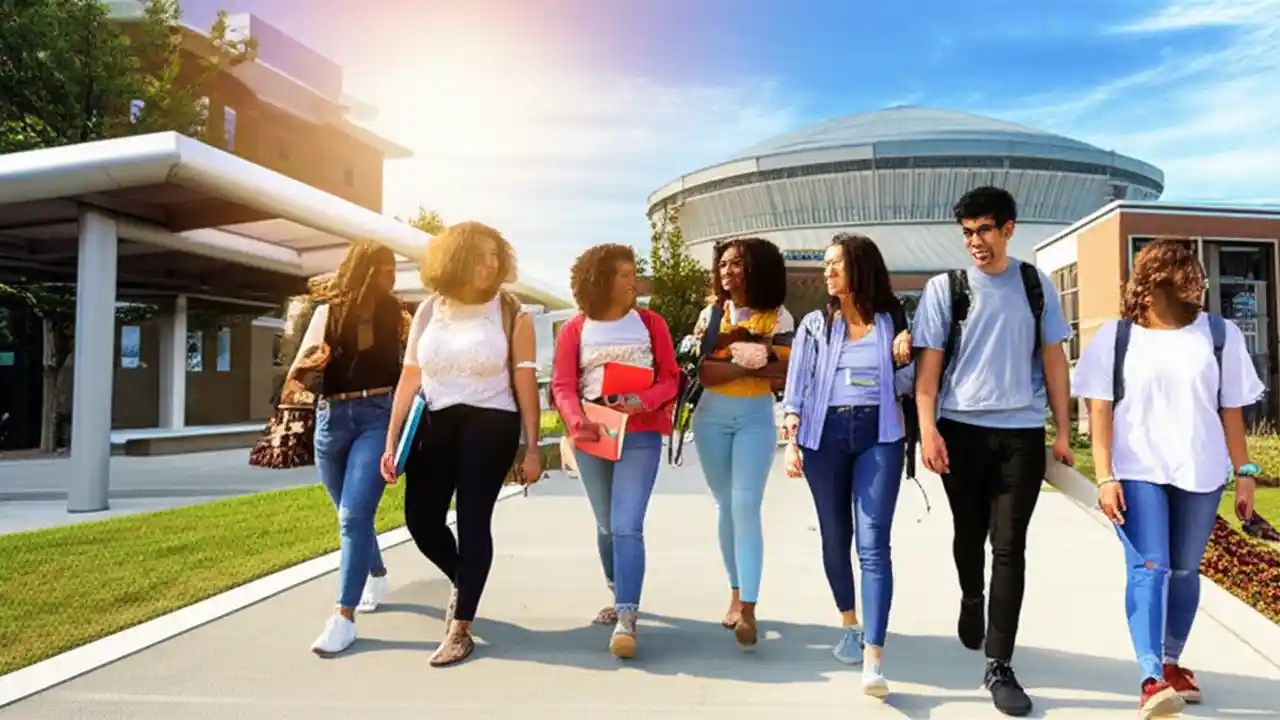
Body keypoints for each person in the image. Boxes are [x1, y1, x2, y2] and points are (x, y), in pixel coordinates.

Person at [1071, 239, 1262, 717]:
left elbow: (1231, 410)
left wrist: (1245, 474)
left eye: (1196, 277)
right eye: (1185, 277)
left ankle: (1173, 662)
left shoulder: (1219, 335)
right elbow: (1100, 414)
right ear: (1154, 283)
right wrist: (1105, 477)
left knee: (1183, 570)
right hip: (1137, 471)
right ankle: (1151, 677)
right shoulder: (1117, 339)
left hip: (1200, 470)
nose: (1196, 285)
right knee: (1149, 567)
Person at [912, 186, 1073, 717]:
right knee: (968, 534)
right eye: (967, 233)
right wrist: (929, 431)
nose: (975, 242)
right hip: (960, 431)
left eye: (984, 230)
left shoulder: (1035, 284)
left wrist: (1063, 433)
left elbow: (1054, 363)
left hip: (1020, 434)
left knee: (1009, 547)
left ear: (1008, 229)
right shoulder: (946, 288)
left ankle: (999, 664)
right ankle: (970, 597)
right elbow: (928, 372)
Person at [382, 221, 543, 668]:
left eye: (496, 255)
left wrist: (533, 446)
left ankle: (461, 627)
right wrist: (392, 439)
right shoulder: (430, 310)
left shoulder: (512, 312)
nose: (491, 263)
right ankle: (466, 579)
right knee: (421, 520)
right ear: (454, 258)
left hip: (491, 422)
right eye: (480, 254)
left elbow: (525, 381)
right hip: (433, 420)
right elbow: (409, 377)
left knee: (474, 520)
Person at [780, 233, 914, 697]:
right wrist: (792, 441)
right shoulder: (815, 324)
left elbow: (911, 382)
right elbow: (796, 389)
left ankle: (874, 658)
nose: (827, 272)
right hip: (824, 437)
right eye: (825, 265)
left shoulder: (892, 320)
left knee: (873, 542)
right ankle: (850, 625)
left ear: (859, 267)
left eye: (835, 263)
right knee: (836, 537)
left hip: (880, 435)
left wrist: (908, 349)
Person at [551, 243, 680, 658]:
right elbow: (562, 385)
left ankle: (627, 617)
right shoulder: (575, 329)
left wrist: (641, 400)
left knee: (627, 524)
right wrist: (576, 421)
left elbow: (671, 378)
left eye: (634, 275)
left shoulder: (651, 323)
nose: (634, 283)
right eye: (626, 276)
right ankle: (616, 587)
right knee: (606, 524)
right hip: (592, 435)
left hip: (639, 432)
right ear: (602, 280)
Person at [299, 241, 408, 656]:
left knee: (352, 515)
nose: (391, 275)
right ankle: (376, 573)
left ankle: (343, 619)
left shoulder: (394, 313)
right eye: (383, 268)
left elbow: (405, 367)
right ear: (363, 269)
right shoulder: (329, 310)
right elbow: (304, 362)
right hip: (331, 417)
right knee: (348, 514)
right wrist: (315, 361)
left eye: (393, 267)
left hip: (376, 415)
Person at [690, 236, 792, 650]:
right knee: (725, 505)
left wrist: (733, 358)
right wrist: (751, 357)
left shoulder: (780, 317)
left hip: (754, 421)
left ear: (759, 269)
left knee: (746, 505)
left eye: (738, 264)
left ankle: (749, 607)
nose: (728, 271)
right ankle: (734, 593)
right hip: (710, 420)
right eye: (725, 264)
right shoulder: (711, 315)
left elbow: (782, 374)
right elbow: (705, 374)